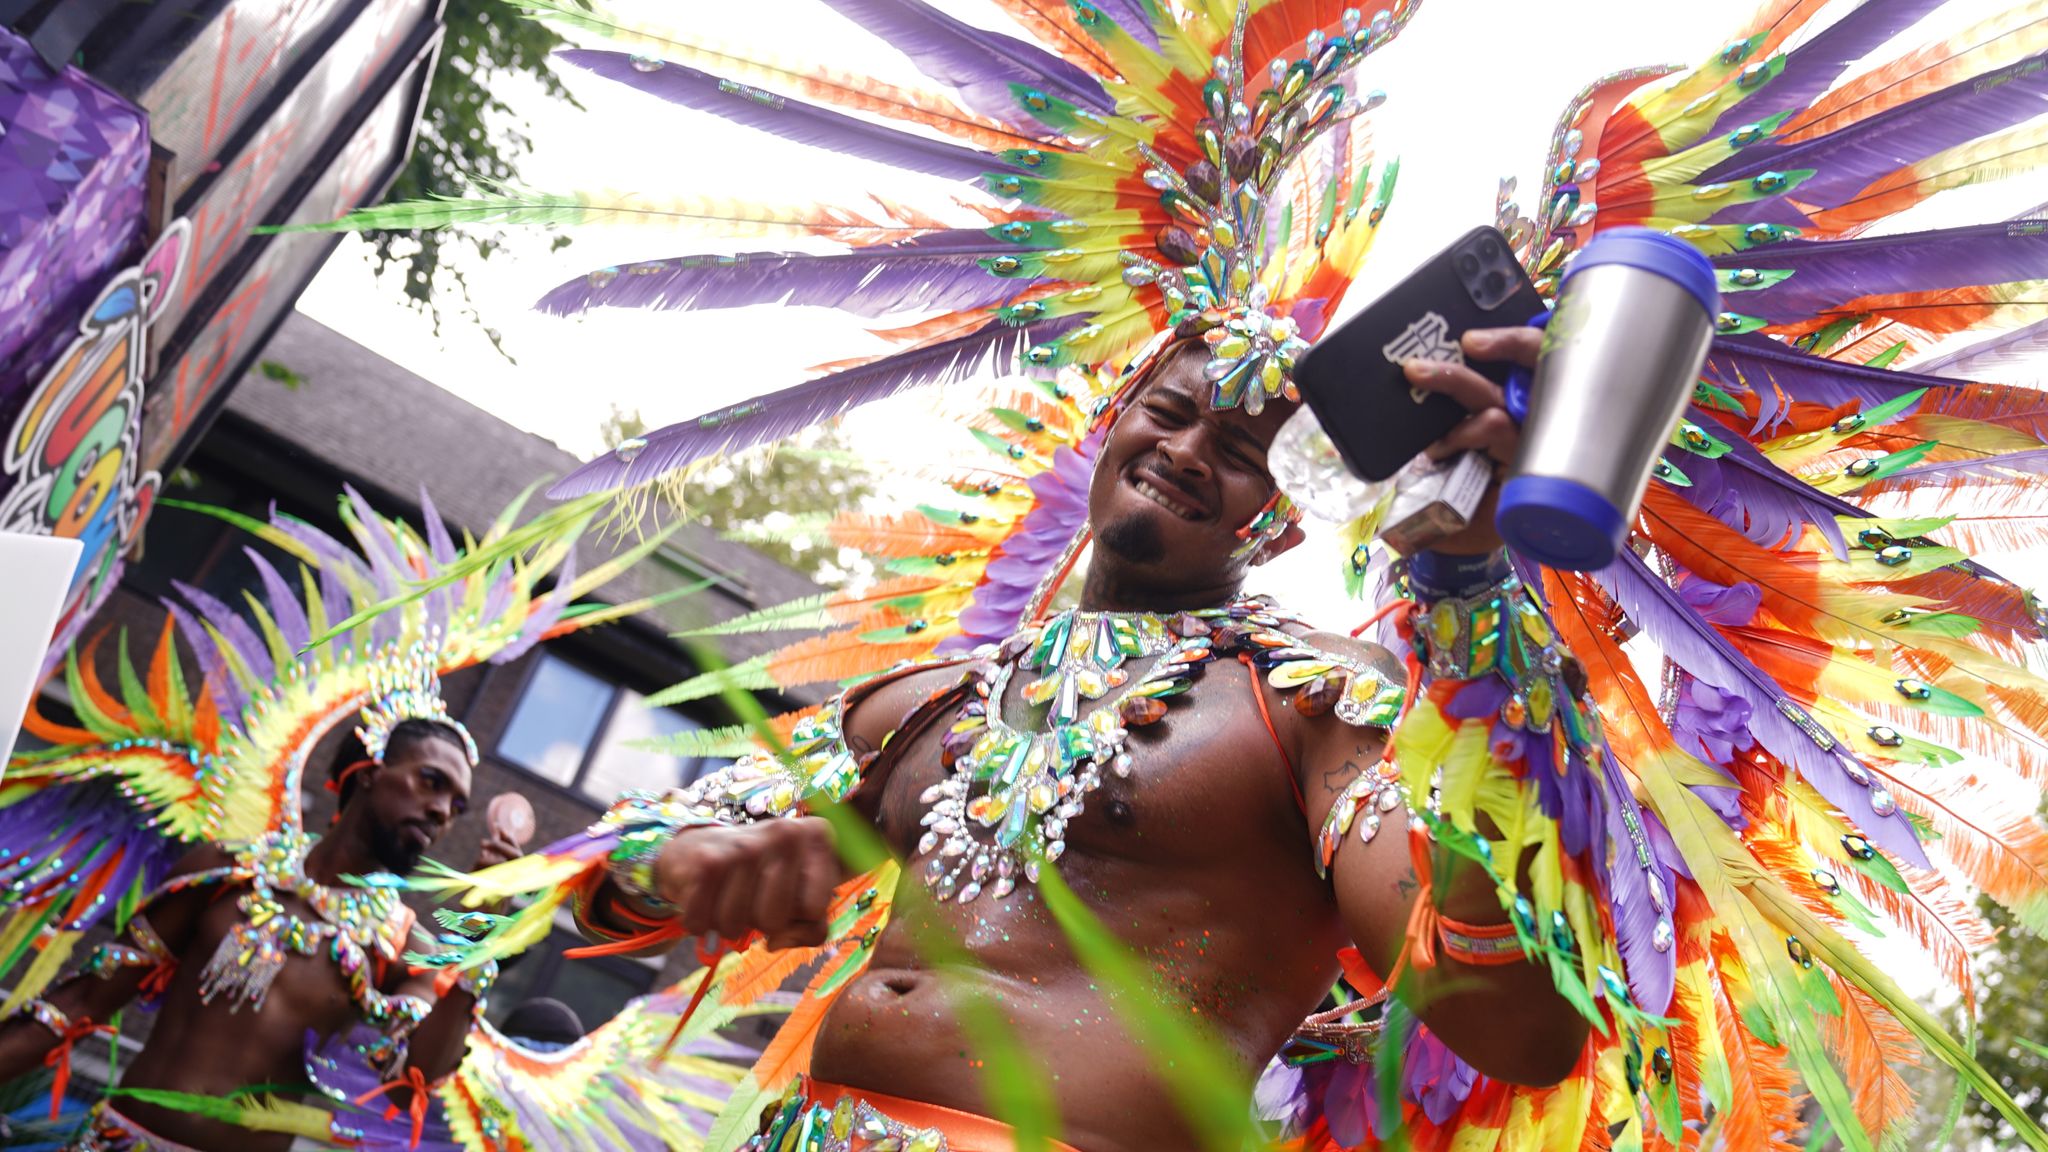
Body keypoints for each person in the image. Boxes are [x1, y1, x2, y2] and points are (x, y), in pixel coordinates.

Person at [0, 707, 520, 1152]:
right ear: (369, 770)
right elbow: (83, 1001)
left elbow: (413, 1087)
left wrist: (477, 940)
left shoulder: (402, 946)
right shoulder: (227, 873)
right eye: (431, 781)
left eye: (456, 806)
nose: (440, 812)